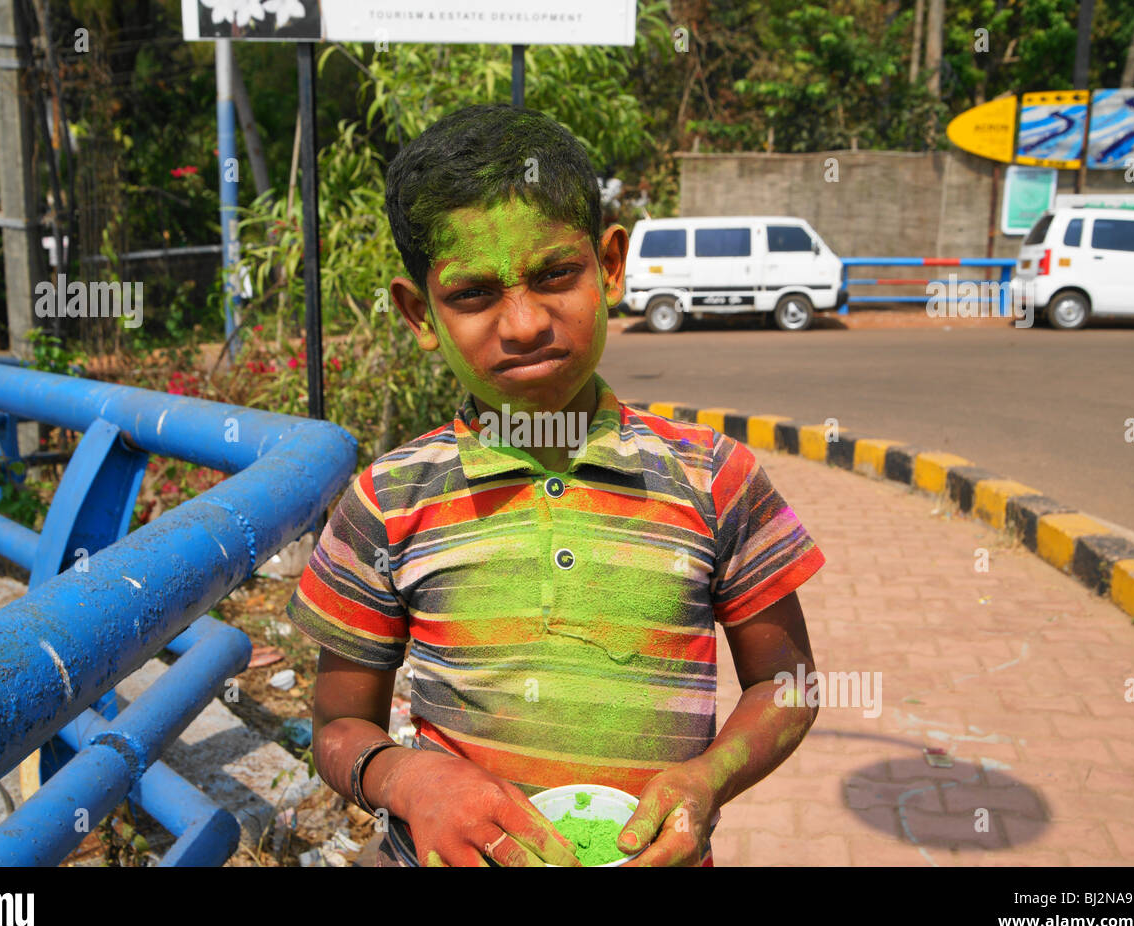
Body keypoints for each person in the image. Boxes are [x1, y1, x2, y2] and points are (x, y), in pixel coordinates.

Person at [286, 103, 825, 867]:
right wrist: (409, 779)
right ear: (419, 313)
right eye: (473, 293)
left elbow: (788, 685)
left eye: (555, 275)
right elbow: (339, 728)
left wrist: (707, 780)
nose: (524, 323)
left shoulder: (714, 478)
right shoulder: (386, 502)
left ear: (609, 267)